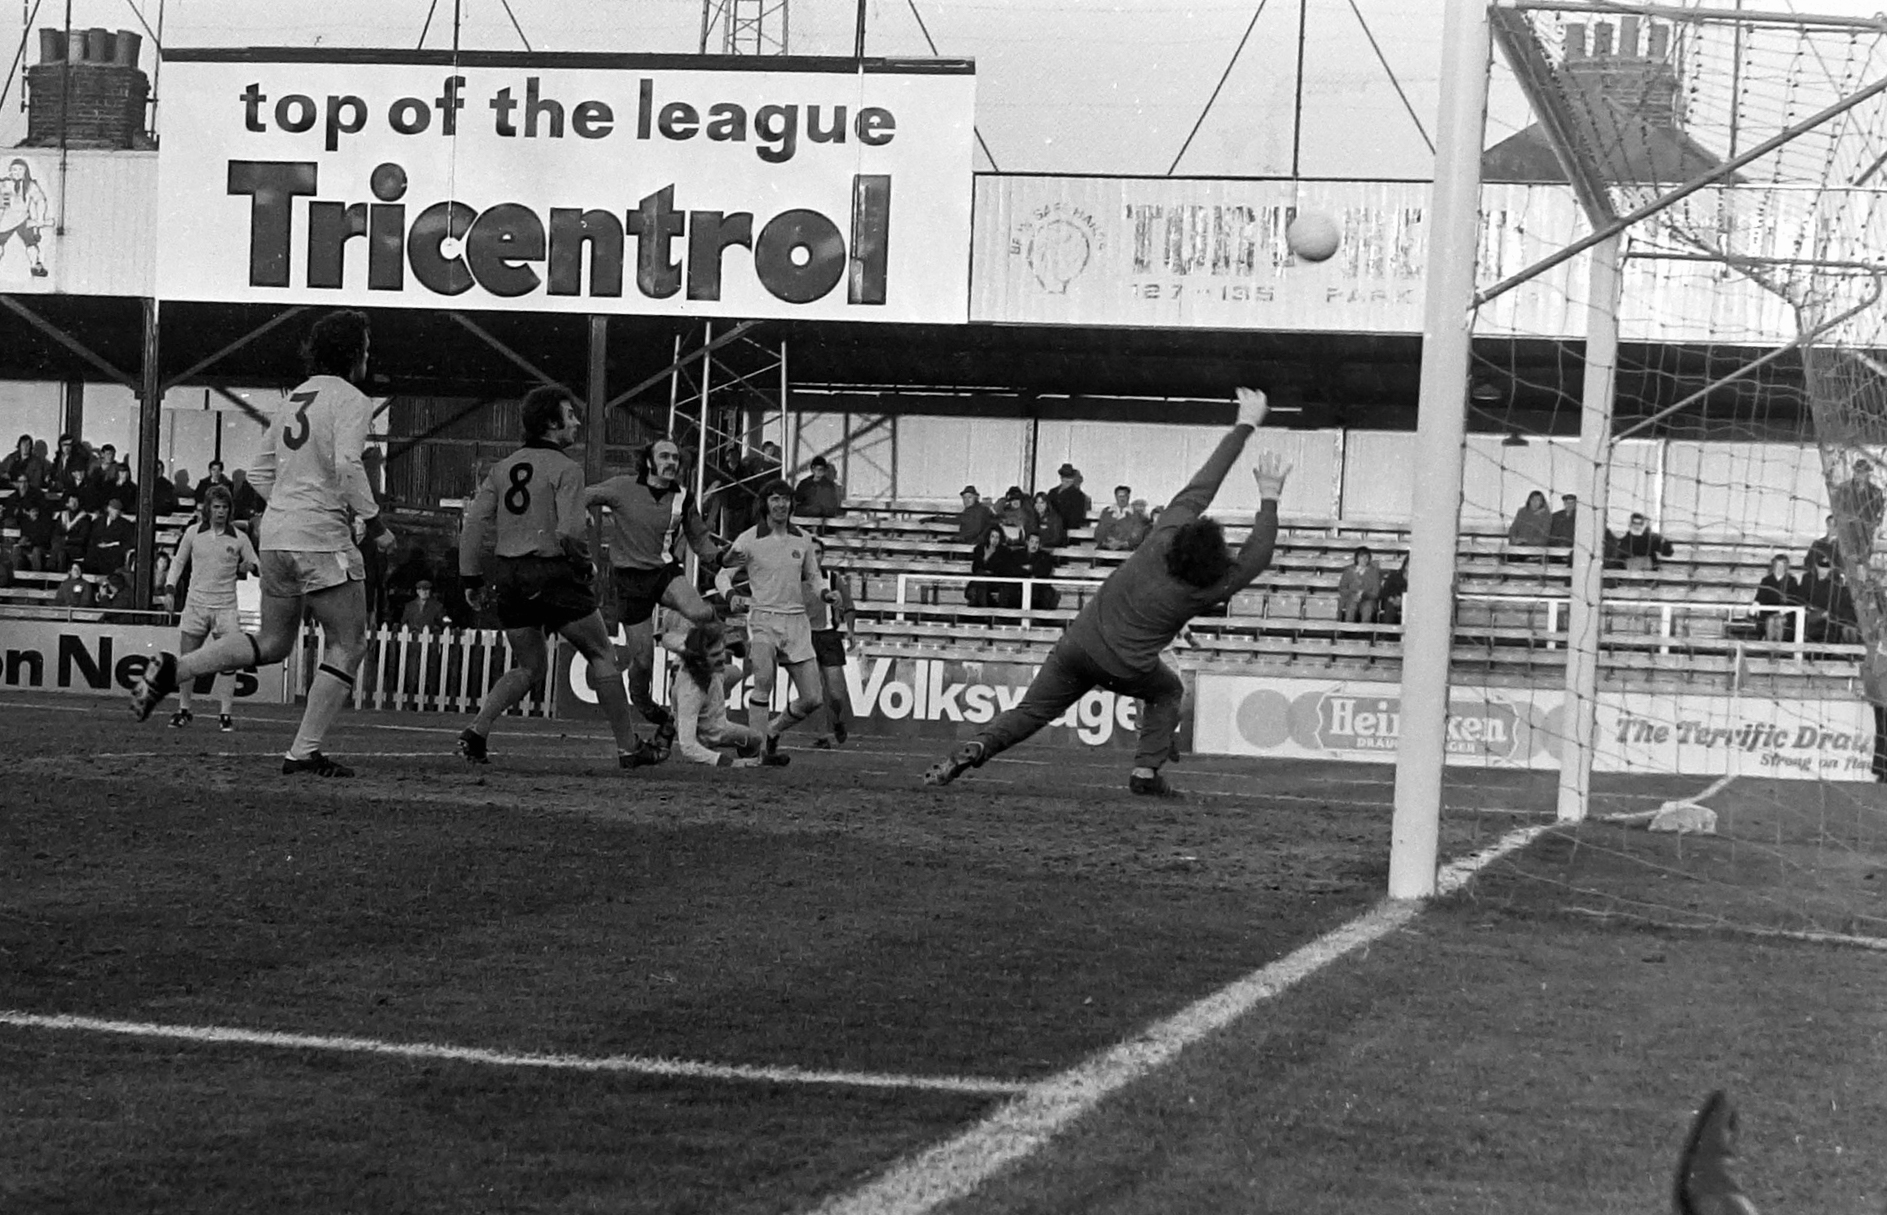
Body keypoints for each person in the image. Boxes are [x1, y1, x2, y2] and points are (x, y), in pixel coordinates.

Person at [925, 387, 1287, 798]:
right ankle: (1146, 772)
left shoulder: (1162, 535)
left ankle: (980, 746)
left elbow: (1201, 486)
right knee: (1167, 690)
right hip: (1125, 666)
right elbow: (1258, 555)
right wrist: (1269, 497)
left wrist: (1244, 425)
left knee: (1031, 711)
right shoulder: (1206, 588)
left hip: (1077, 645)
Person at [130, 309, 398, 778]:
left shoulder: (296, 399)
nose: (368, 358)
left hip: (275, 535)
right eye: (367, 349)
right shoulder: (352, 399)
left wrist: (289, 506)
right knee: (349, 642)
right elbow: (348, 466)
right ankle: (303, 752)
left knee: (272, 642)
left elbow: (257, 473)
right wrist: (375, 526)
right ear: (354, 353)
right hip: (320, 537)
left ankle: (174, 670)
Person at [455, 386, 661, 770]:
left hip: (509, 575)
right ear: (551, 423)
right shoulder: (567, 469)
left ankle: (477, 730)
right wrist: (583, 566)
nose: (577, 422)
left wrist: (471, 579)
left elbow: (474, 525)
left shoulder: (501, 469)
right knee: (601, 654)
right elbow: (569, 532)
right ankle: (629, 747)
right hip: (551, 572)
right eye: (570, 415)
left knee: (530, 667)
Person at [585, 435, 721, 750]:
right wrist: (581, 511)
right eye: (664, 456)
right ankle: (644, 702)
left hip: (663, 571)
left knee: (701, 612)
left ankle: (712, 650)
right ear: (648, 461)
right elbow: (583, 494)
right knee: (643, 661)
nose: (671, 462)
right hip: (630, 579)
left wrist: (722, 558)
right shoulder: (621, 487)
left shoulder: (683, 497)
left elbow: (699, 538)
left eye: (675, 458)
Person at [723, 478, 834, 762]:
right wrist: (730, 595)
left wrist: (824, 593)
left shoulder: (803, 539)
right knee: (763, 681)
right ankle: (756, 750)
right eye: (774, 498)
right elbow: (723, 575)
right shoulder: (749, 539)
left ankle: (772, 730)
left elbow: (813, 575)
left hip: (796, 622)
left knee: (813, 698)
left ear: (791, 504)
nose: (781, 504)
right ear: (765, 504)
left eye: (785, 499)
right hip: (763, 618)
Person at [162, 486, 260, 733]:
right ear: (208, 508)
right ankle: (184, 709)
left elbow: (256, 565)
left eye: (224, 507)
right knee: (188, 658)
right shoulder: (193, 533)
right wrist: (170, 589)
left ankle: (225, 714)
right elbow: (178, 562)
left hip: (225, 607)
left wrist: (249, 566)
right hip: (196, 604)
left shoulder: (239, 538)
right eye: (216, 507)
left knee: (229, 660)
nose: (221, 512)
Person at [662, 612, 769, 767]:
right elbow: (688, 747)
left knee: (735, 672)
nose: (722, 657)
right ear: (701, 658)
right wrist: (732, 763)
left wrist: (731, 641)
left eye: (722, 651)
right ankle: (698, 737)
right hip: (711, 732)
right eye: (715, 655)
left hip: (700, 694)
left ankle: (676, 718)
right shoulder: (691, 691)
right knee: (756, 738)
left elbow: (737, 652)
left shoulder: (696, 654)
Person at [805, 538, 856, 748]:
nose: (815, 557)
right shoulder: (795, 579)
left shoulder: (833, 579)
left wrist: (850, 631)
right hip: (805, 638)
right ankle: (822, 736)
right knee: (814, 693)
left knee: (836, 695)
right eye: (811, 552)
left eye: (818, 552)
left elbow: (849, 606)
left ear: (823, 556)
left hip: (828, 637)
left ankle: (837, 721)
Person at [0, 157, 51, 278]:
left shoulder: (30, 185)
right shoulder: (5, 184)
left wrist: (40, 218)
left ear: (25, 171)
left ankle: (35, 265)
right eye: (14, 169)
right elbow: (3, 205)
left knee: (31, 243)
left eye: (20, 169)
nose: (16, 172)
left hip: (24, 219)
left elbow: (40, 200)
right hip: (7, 219)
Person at [1833, 456, 1885, 571]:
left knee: (1863, 564)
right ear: (1854, 472)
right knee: (1847, 564)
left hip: (1865, 535)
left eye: (1863, 472)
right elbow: (1837, 510)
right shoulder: (1842, 490)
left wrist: (1872, 524)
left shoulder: (1876, 492)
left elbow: (1878, 514)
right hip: (1847, 534)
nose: (1860, 475)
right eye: (1858, 472)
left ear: (1868, 474)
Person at [1752, 553, 1800, 642]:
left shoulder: (1791, 581)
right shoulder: (1766, 580)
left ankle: (1779, 646)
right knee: (1770, 621)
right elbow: (1760, 597)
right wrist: (1756, 603)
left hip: (1785, 613)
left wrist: (1787, 609)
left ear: (1786, 566)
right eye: (1778, 565)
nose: (1779, 568)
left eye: (1782, 565)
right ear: (1774, 565)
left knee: (1778, 621)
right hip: (1768, 613)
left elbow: (1795, 599)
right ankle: (1770, 646)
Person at [83, 497, 133, 575]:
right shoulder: (98, 521)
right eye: (113, 510)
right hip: (98, 548)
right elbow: (92, 537)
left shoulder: (125, 524)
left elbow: (127, 542)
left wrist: (109, 545)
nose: (115, 513)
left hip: (113, 550)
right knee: (91, 554)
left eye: (117, 511)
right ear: (108, 509)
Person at [1336, 545, 1383, 622]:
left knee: (1367, 608)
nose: (1364, 560)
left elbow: (1376, 592)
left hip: (1368, 599)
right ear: (1357, 558)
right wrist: (1352, 594)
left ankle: (1364, 628)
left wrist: (1364, 594)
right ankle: (1348, 627)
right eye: (1361, 557)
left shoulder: (1374, 572)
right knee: (1351, 606)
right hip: (1351, 598)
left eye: (1366, 557)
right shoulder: (1349, 571)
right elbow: (1342, 588)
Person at [1046, 462, 1090, 533]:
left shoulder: (1078, 495)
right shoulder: (1052, 492)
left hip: (1067, 530)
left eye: (1069, 477)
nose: (1067, 480)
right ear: (1061, 478)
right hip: (1051, 527)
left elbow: (1075, 519)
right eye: (1064, 477)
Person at [1506, 489, 1551, 555]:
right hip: (1518, 548)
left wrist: (1526, 541)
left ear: (1542, 502)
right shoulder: (1522, 512)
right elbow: (1514, 528)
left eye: (1538, 500)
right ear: (1529, 500)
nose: (1535, 502)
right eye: (1533, 500)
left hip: (1536, 550)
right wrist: (1514, 539)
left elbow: (1544, 537)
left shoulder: (1545, 515)